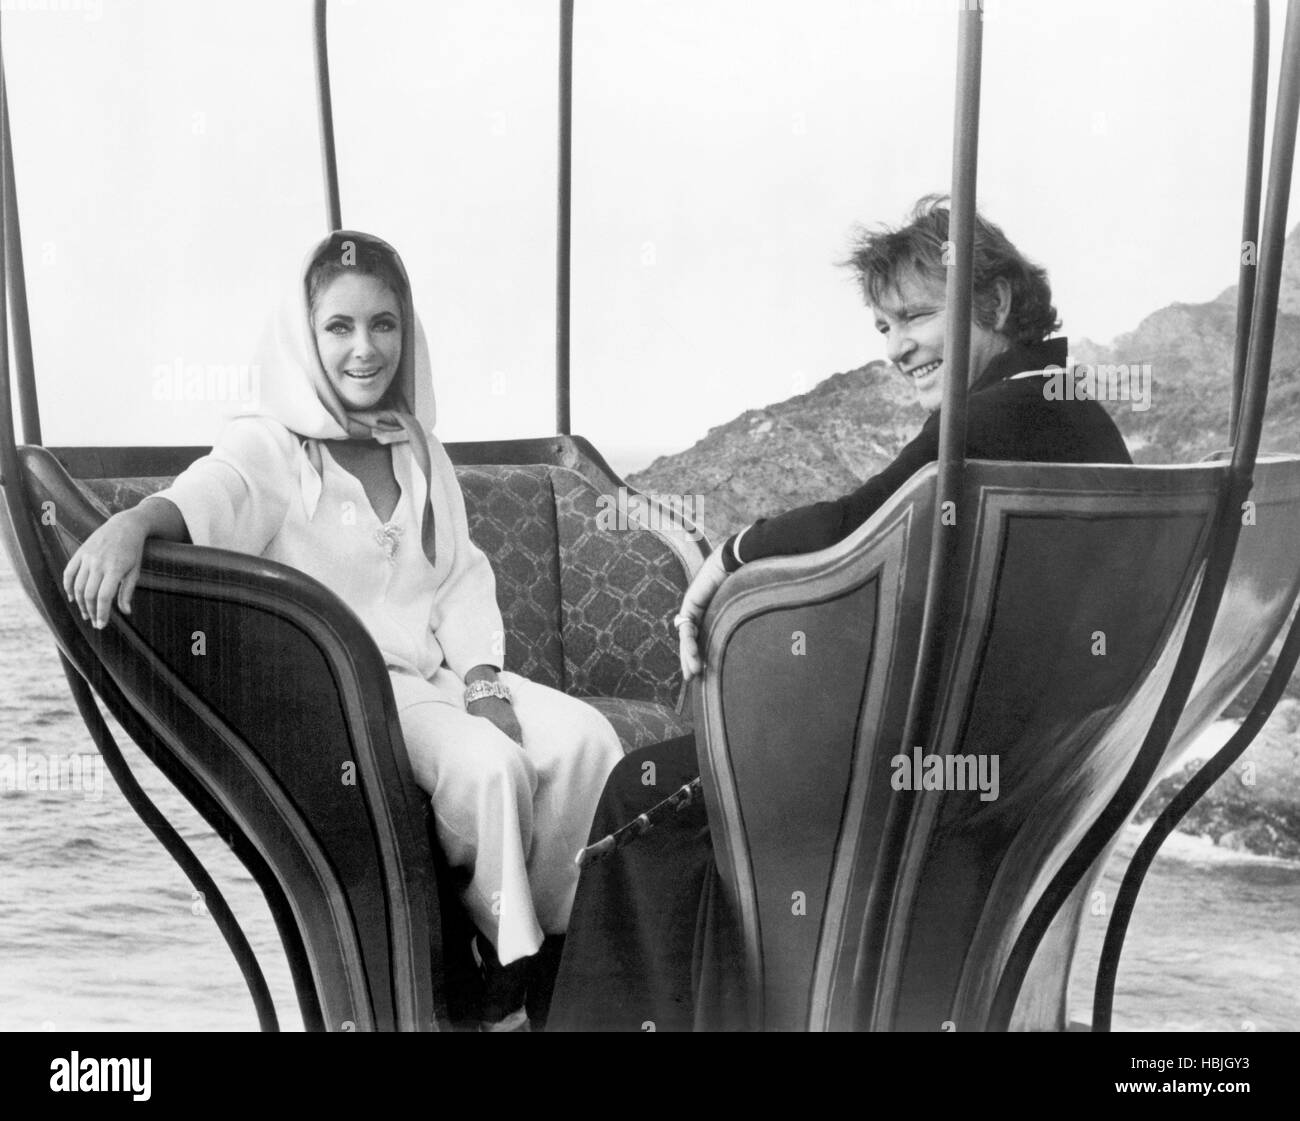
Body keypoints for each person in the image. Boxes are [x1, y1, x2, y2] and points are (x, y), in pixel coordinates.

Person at [546, 196, 1134, 1032]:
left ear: (995, 304)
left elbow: (859, 519)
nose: (896, 348)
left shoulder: (995, 417)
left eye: (916, 317)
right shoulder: (1079, 412)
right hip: (1029, 772)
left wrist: (731, 554)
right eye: (883, 327)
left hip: (923, 783)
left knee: (640, 785)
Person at [63, 230, 623, 1031]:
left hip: (437, 675)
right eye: (340, 327)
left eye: (384, 324)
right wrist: (135, 523)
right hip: (358, 694)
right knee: (490, 767)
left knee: (585, 740)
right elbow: (209, 494)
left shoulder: (417, 446)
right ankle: (503, 972)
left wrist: (482, 678)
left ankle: (562, 955)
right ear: (305, 335)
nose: (366, 349)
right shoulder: (271, 444)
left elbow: (461, 574)